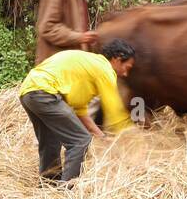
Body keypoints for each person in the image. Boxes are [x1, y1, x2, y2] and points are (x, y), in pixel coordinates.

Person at [18, 40, 136, 184]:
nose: (125, 73)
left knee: (50, 141)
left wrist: (101, 137)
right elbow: (114, 111)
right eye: (127, 67)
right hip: (45, 92)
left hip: (28, 92)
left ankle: (49, 185)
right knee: (80, 141)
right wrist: (130, 136)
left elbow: (80, 111)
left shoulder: (90, 65)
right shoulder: (105, 69)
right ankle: (68, 188)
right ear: (117, 59)